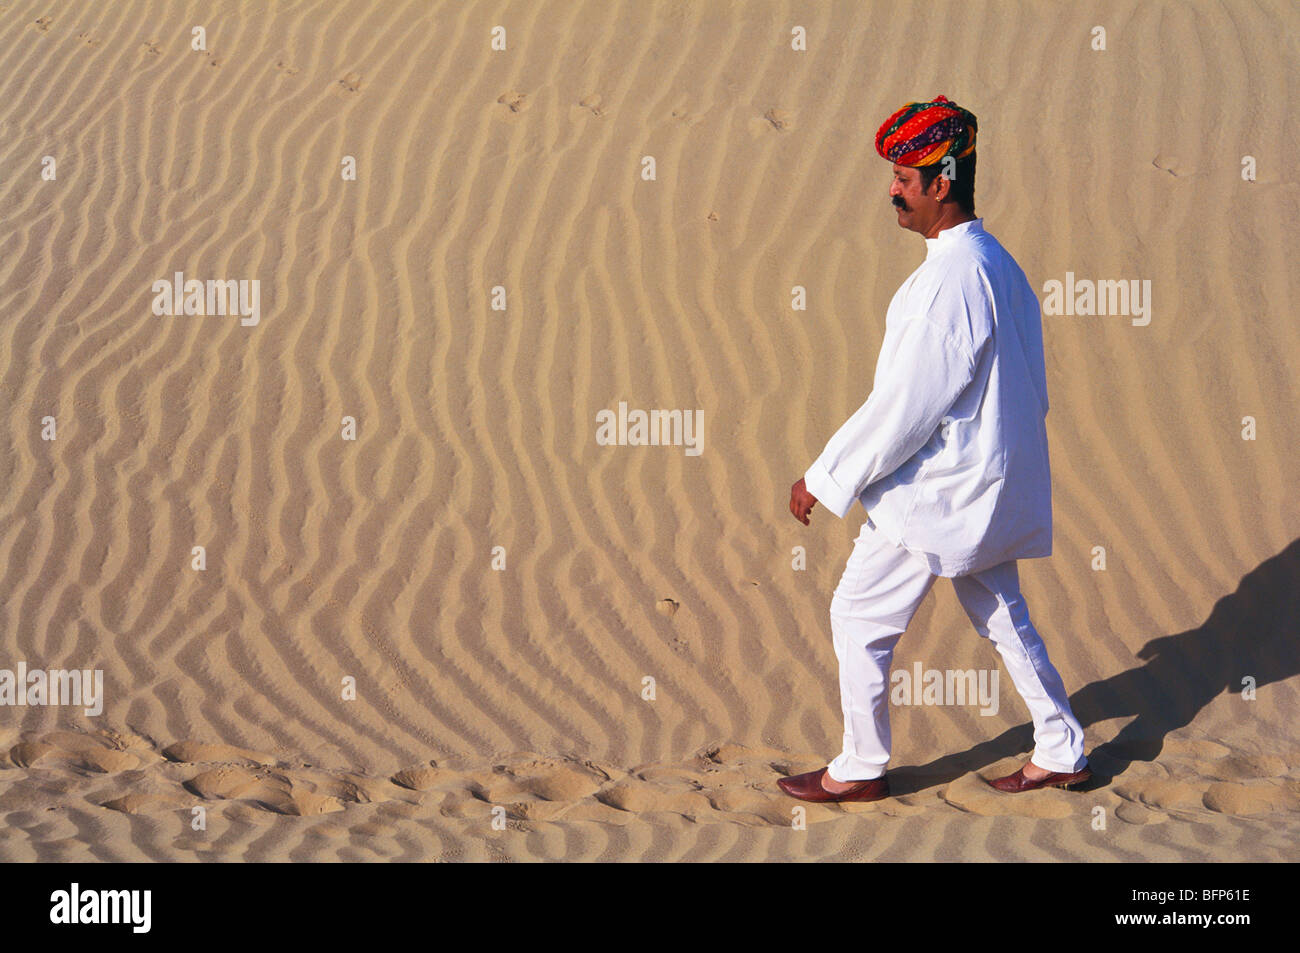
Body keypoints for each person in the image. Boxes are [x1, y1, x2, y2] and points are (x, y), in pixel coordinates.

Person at [779, 95, 1090, 803]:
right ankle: (1062, 745)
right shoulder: (997, 264)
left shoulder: (949, 281)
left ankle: (859, 766)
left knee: (858, 615)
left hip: (939, 492)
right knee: (1003, 612)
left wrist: (824, 477)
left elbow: (904, 410)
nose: (892, 190)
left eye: (904, 178)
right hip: (989, 483)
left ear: (941, 182)